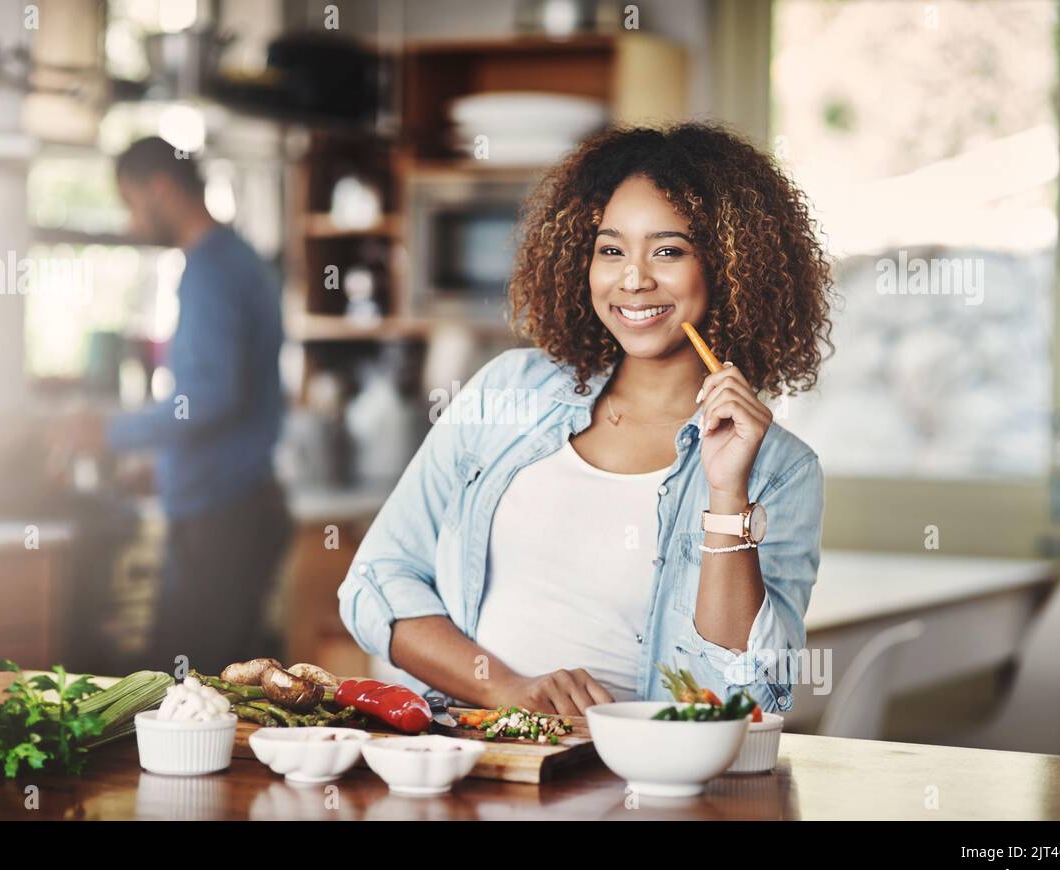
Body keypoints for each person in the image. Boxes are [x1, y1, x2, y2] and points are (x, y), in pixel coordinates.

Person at [338, 122, 833, 715]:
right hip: (465, 765)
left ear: (731, 267)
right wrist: (507, 690)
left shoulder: (780, 469)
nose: (633, 278)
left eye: (669, 250)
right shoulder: (510, 390)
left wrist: (727, 496)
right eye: (611, 249)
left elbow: (745, 701)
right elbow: (375, 583)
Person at [59, 136, 291, 674]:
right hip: (234, 505)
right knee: (217, 688)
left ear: (161, 189)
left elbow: (209, 398)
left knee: (183, 689)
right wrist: (162, 468)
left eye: (131, 203)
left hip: (221, 518)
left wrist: (108, 432)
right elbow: (223, 401)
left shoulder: (210, 270)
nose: (132, 222)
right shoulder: (240, 260)